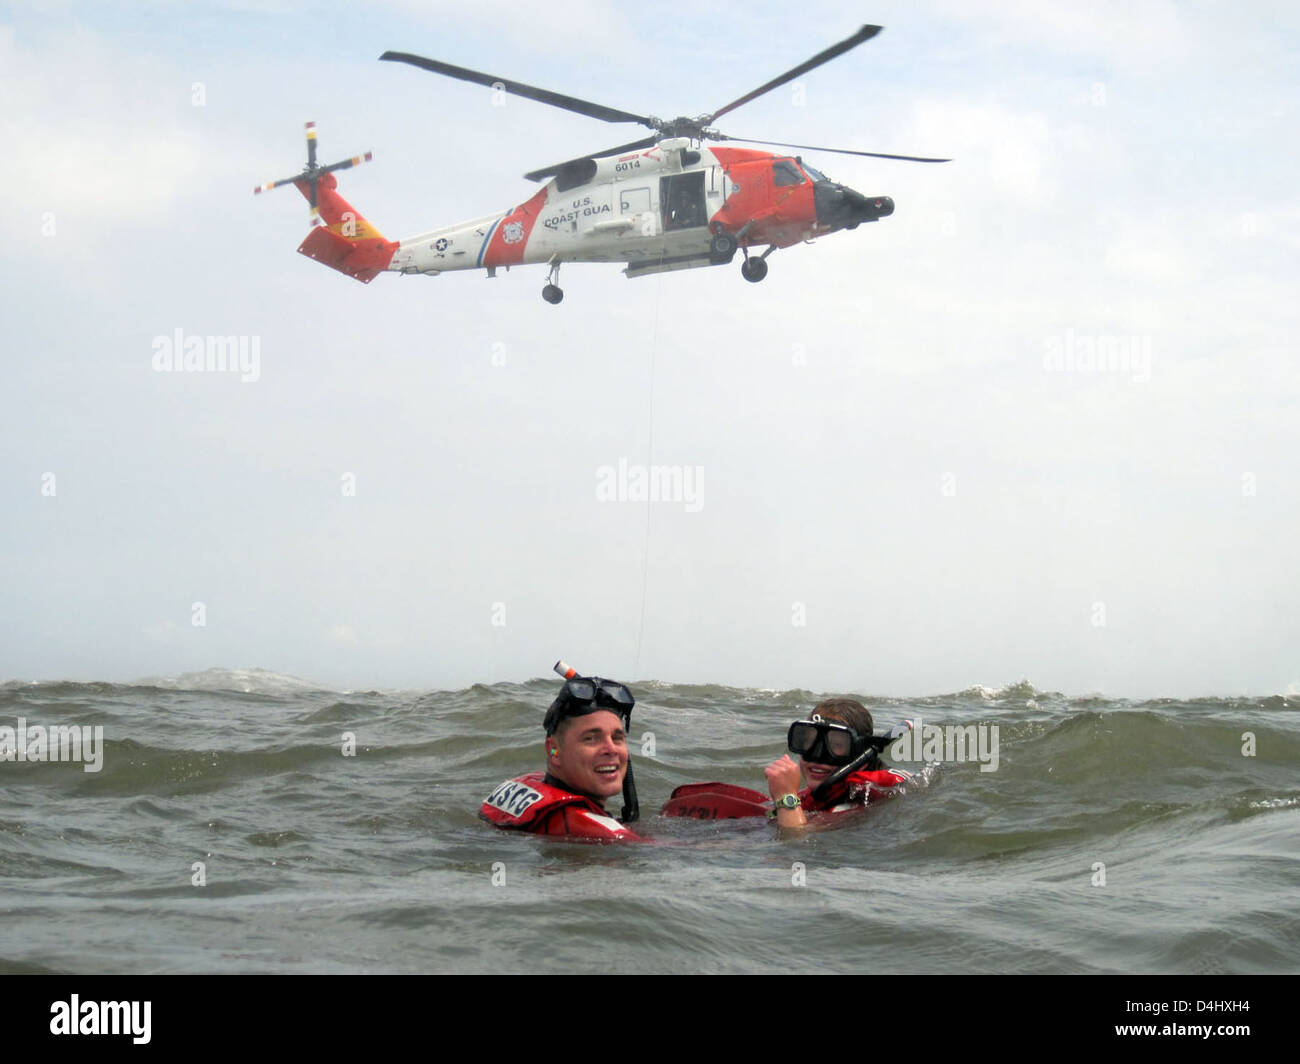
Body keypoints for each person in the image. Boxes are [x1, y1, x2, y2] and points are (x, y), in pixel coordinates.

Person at [480, 665, 643, 841]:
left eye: (617, 738)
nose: (611, 749)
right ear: (554, 751)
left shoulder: (533, 784)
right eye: (591, 739)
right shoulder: (603, 835)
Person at [765, 699, 910, 828]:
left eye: (836, 745)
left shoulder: (864, 795)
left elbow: (795, 839)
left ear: (861, 751)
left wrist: (787, 798)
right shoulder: (823, 791)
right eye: (810, 742)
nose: (817, 755)